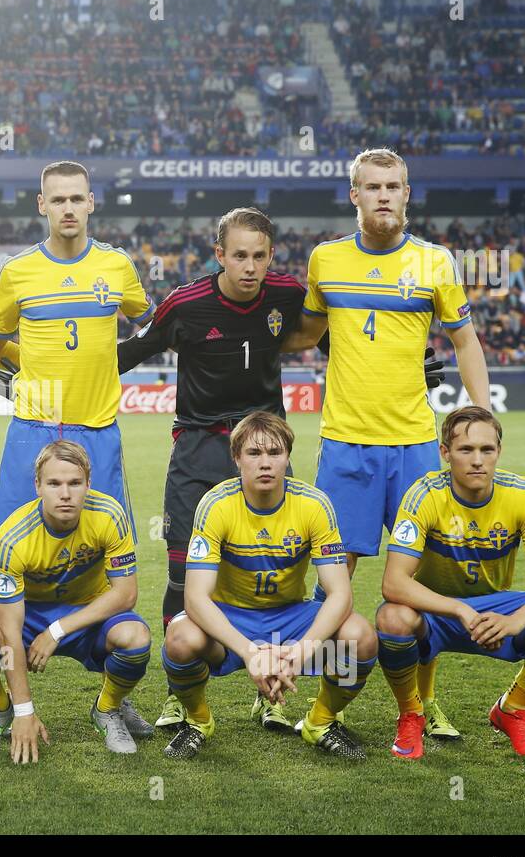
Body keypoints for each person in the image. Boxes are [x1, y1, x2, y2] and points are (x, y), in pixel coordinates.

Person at [284, 148, 491, 742]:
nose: (383, 195)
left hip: (415, 447)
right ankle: (321, 708)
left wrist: (477, 412)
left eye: (393, 186)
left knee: (422, 584)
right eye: (371, 186)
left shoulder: (435, 262)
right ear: (354, 195)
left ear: (407, 193)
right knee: (332, 582)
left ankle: (421, 705)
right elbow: (307, 333)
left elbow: (465, 341)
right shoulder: (326, 259)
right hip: (346, 445)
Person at [114, 206, 310, 733]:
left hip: (263, 448)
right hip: (199, 449)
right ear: (218, 255)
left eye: (260, 256)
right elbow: (133, 351)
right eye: (239, 255)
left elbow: (326, 337)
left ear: (272, 256)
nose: (250, 267)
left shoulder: (288, 295)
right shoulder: (186, 303)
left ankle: (273, 689)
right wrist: (48, 367)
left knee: (274, 572)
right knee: (182, 574)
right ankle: (182, 695)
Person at [160, 411, 376, 761]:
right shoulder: (215, 505)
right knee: (181, 637)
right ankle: (198, 722)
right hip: (231, 622)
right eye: (254, 454)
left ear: (287, 457)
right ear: (236, 458)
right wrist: (250, 653)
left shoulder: (313, 505)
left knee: (361, 637)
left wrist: (304, 649)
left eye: (274, 453)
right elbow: (196, 598)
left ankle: (320, 721)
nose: (265, 464)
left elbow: (340, 594)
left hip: (291, 618)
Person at [378, 407, 525, 759]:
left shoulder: (523, 494)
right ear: (445, 453)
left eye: (486, 450)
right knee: (392, 618)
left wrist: (515, 621)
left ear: (499, 452)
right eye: (465, 450)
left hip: (497, 608)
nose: (477, 460)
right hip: (438, 613)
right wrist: (458, 609)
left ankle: (512, 709)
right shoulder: (424, 494)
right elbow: (394, 583)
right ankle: (411, 715)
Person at [0, 160, 153, 550]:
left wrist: (119, 358)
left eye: (76, 198)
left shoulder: (116, 265)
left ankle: (99, 614)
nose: (68, 208)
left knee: (109, 550)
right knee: (13, 544)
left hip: (97, 428)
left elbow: (155, 325)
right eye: (58, 199)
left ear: (91, 203)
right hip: (34, 426)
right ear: (41, 204)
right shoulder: (17, 271)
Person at [0, 440, 151, 762]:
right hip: (28, 612)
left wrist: (57, 630)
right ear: (38, 486)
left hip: (88, 612)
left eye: (74, 483)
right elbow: (8, 629)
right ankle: (0, 710)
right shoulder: (12, 537)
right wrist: (24, 710)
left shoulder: (110, 515)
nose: (65, 493)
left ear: (88, 483)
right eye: (54, 483)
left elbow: (126, 594)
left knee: (135, 638)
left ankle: (108, 709)